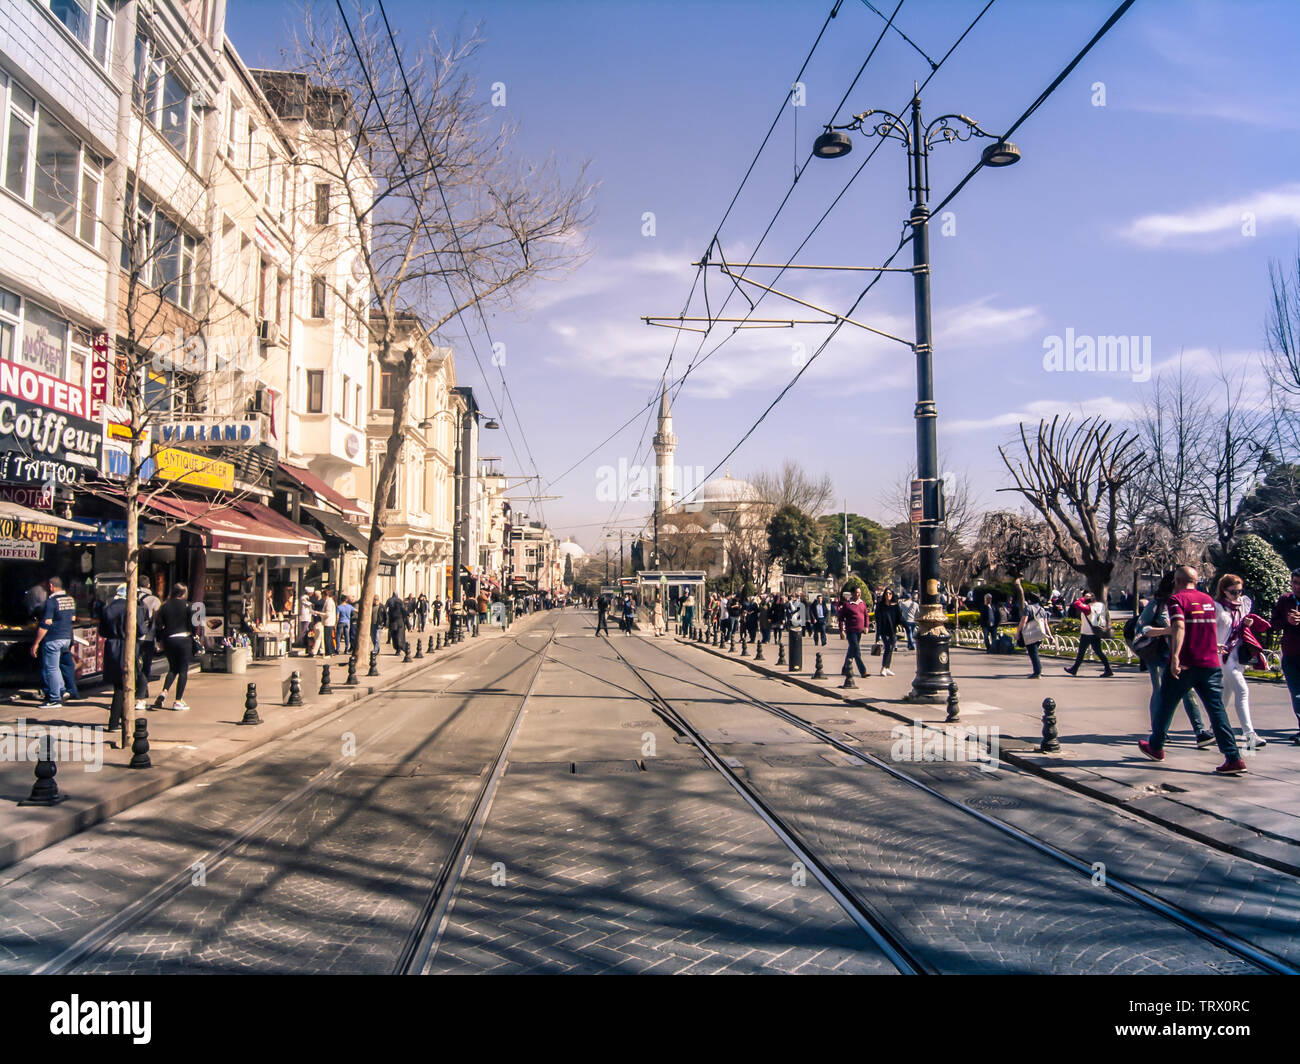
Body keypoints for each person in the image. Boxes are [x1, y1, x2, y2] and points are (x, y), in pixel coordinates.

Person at [1140, 565, 1245, 775]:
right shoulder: (1208, 600)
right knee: (1217, 711)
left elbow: (1179, 627)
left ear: (1176, 582)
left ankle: (1156, 747)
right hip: (1210, 664)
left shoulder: (1176, 600)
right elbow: (1207, 628)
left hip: (1187, 663)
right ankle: (1233, 757)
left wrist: (1176, 657)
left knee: (1166, 704)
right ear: (1196, 581)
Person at [1136, 574, 1214, 747]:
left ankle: (1200, 731)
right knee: (1160, 691)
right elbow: (1142, 628)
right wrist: (1166, 630)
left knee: (1188, 692)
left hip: (1182, 654)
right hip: (1159, 654)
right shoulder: (1158, 605)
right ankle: (1160, 733)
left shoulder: (1186, 602)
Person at [1214, 574, 1266, 749]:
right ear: (1224, 590)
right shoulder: (1217, 607)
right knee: (1242, 691)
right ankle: (1250, 735)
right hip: (1223, 656)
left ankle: (1214, 730)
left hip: (1239, 656)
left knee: (1225, 695)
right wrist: (1213, 645)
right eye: (1233, 592)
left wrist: (1248, 623)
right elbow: (1208, 630)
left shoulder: (1242, 605)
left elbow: (1240, 627)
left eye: (1239, 591)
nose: (1237, 595)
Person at [32, 576, 77, 709]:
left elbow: (45, 624)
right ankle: (62, 691)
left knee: (51, 669)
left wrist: (36, 643)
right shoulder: (70, 599)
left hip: (53, 638)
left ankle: (54, 699)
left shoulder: (51, 602)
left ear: (51, 586)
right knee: (57, 668)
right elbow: (73, 618)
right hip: (66, 637)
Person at [154, 583, 194, 711]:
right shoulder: (188, 606)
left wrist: (160, 640)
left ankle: (164, 692)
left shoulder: (164, 606)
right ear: (183, 594)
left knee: (172, 668)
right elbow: (193, 625)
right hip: (184, 639)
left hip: (169, 640)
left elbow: (158, 625)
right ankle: (177, 700)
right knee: (183, 670)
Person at [1271, 569, 1300, 745]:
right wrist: (1286, 622)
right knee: (1296, 693)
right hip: (1290, 653)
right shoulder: (1285, 600)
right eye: (1294, 583)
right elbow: (1274, 623)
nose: (1297, 587)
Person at [99, 585, 130, 735]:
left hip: (111, 646)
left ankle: (116, 720)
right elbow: (141, 629)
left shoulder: (108, 608)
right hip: (126, 646)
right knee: (124, 685)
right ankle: (117, 720)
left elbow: (102, 631)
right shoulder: (131, 607)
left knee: (118, 684)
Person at [1064, 592, 1113, 677]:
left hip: (1088, 632)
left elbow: (1076, 604)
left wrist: (1083, 598)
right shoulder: (1101, 606)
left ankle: (1074, 669)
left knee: (1082, 652)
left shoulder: (1089, 608)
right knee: (1098, 652)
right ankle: (1107, 669)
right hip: (1096, 632)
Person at [1013, 578, 1049, 680]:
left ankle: (1037, 672)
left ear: (1029, 600)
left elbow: (1023, 621)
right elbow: (1046, 624)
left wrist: (1018, 632)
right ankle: (1038, 670)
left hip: (1031, 633)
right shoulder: (1042, 609)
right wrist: (1049, 635)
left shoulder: (1028, 608)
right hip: (1039, 633)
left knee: (1033, 653)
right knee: (1035, 652)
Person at [136, 586, 160, 710]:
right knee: (146, 667)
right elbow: (157, 621)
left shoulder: (132, 597)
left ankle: (141, 690)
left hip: (134, 638)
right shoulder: (154, 600)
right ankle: (141, 695)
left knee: (135, 666)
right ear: (149, 585)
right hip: (148, 637)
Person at [837, 588, 869, 680]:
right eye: (857, 593)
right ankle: (863, 671)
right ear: (852, 594)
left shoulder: (862, 603)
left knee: (851, 650)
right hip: (851, 631)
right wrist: (842, 630)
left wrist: (866, 626)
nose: (859, 594)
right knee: (856, 651)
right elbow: (841, 618)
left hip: (860, 631)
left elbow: (866, 615)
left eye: (860, 592)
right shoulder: (847, 605)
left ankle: (845, 669)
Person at [874, 588, 903, 676]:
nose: (888, 595)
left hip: (892, 631)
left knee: (891, 649)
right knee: (888, 647)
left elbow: (900, 618)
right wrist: (877, 635)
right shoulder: (880, 606)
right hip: (883, 631)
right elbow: (878, 619)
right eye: (886, 593)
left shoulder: (895, 606)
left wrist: (905, 626)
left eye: (890, 593)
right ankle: (883, 667)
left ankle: (887, 668)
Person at [321, 589, 338, 656]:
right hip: (329, 622)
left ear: (324, 595)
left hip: (328, 622)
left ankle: (329, 652)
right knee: (329, 637)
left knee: (327, 638)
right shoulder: (329, 601)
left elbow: (327, 613)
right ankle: (331, 651)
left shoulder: (329, 602)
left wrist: (319, 613)